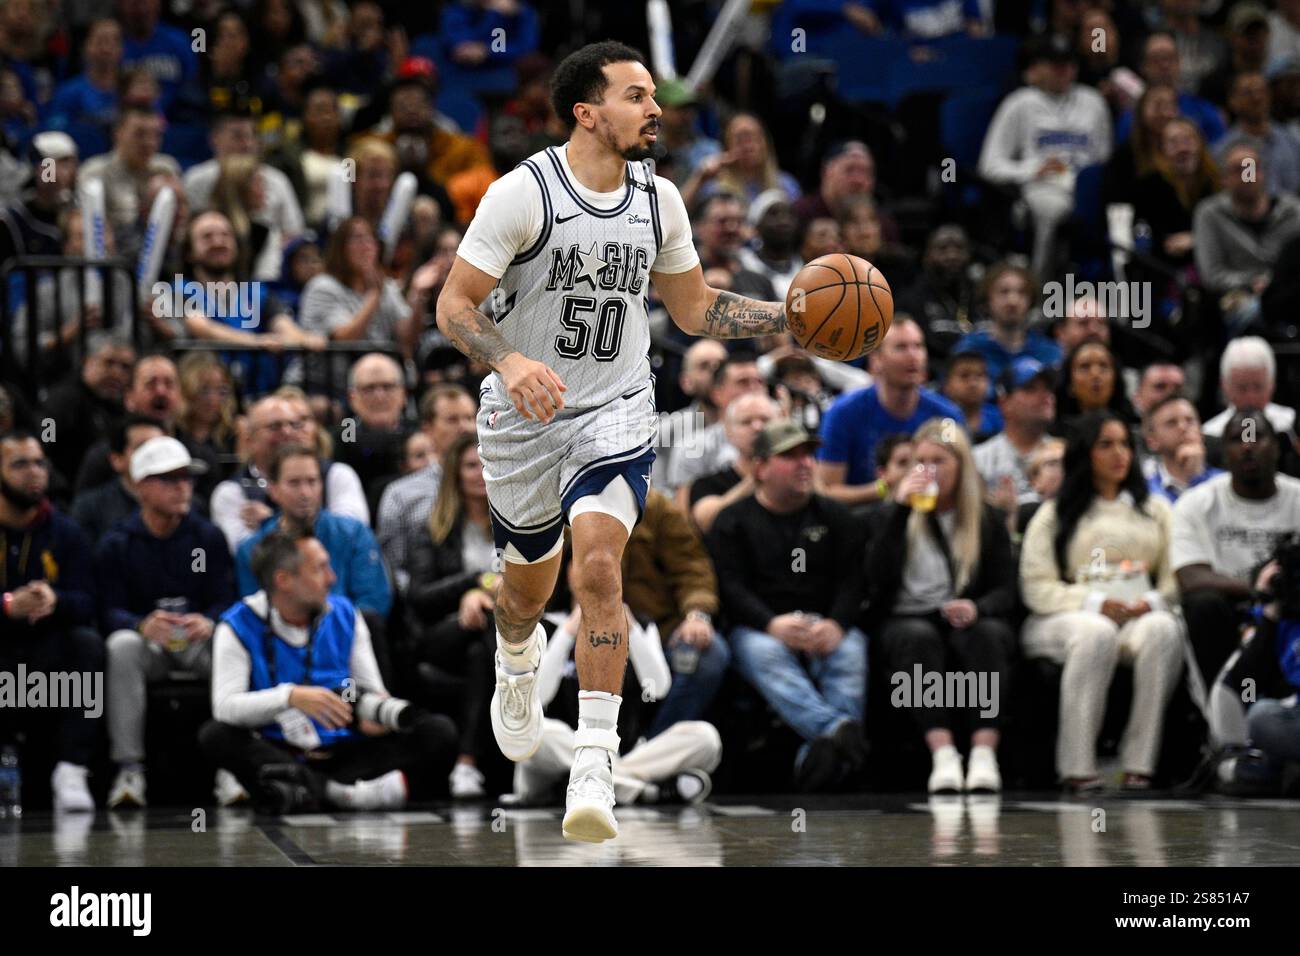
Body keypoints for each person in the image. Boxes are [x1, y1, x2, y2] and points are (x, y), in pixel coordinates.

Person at [435, 41, 793, 842]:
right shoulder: (521, 193)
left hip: (619, 409)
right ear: (586, 112)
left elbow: (695, 310)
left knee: (599, 564)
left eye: (655, 97)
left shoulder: (661, 198)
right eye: (637, 96)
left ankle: (596, 758)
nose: (655, 109)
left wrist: (789, 322)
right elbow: (453, 308)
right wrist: (510, 357)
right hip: (523, 418)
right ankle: (517, 657)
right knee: (526, 592)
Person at [200, 527, 458, 813]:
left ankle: (310, 791)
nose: (332, 578)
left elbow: (371, 691)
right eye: (320, 569)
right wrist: (290, 697)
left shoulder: (345, 613)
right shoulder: (237, 625)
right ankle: (335, 792)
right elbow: (225, 707)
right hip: (279, 749)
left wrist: (372, 715)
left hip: (345, 748)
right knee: (216, 735)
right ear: (284, 580)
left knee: (439, 732)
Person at [1020, 411, 1184, 792]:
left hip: (1136, 616)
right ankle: (1076, 766)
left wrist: (1152, 601)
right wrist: (1094, 603)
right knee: (1096, 633)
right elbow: (1037, 587)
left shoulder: (1157, 510)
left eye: (1125, 444)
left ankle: (1138, 762)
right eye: (1105, 445)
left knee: (1164, 628)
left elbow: (1177, 575)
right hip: (1063, 619)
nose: (1119, 453)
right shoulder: (1055, 514)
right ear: (1085, 453)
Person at [709, 419, 868, 792]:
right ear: (760, 467)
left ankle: (823, 754)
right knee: (763, 654)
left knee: (850, 653)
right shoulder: (732, 521)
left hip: (825, 622)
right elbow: (729, 588)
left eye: (810, 455)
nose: (805, 464)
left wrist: (838, 624)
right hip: (761, 627)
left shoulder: (835, 516)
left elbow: (854, 579)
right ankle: (837, 730)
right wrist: (770, 623)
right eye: (790, 456)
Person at [865, 419, 1016, 793]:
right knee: (916, 638)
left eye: (939, 461)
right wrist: (900, 510)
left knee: (989, 634)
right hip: (906, 617)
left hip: (963, 615)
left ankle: (984, 753)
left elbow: (1008, 589)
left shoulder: (986, 518)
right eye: (920, 461)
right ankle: (943, 753)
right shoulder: (888, 515)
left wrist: (978, 607)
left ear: (961, 467)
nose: (926, 470)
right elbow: (874, 579)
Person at [98, 436, 235, 808]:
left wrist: (209, 619)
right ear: (142, 486)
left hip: (195, 641)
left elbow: (226, 599)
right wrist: (141, 624)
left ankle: (233, 766)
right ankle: (129, 770)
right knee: (120, 646)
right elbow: (105, 610)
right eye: (169, 479)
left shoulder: (206, 538)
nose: (182, 487)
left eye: (186, 478)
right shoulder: (118, 544)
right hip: (150, 646)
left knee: (231, 642)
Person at [0, 431, 101, 812]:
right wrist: (8, 606)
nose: (34, 473)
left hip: (46, 652)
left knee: (87, 644)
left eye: (40, 463)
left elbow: (89, 602)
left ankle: (72, 770)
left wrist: (56, 601)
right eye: (20, 464)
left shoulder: (65, 531)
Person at [1172, 409, 1300, 686]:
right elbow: (1190, 576)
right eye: (1237, 439)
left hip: (1292, 608)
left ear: (1277, 447)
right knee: (1202, 604)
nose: (1248, 445)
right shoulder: (1196, 503)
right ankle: (1222, 711)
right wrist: (1257, 589)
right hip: (1229, 610)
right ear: (1223, 451)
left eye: (1257, 437)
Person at [404, 433, 501, 799]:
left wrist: (483, 594)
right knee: (483, 631)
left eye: (487, 464)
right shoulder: (432, 529)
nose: (480, 473)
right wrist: (473, 585)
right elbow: (420, 598)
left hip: (491, 635)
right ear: (455, 475)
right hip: (441, 635)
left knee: (482, 651)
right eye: (470, 466)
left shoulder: (518, 525)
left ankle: (467, 762)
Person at [977, 33, 1112, 279]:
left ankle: (1110, 285)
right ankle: (1039, 287)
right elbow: (989, 165)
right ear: (1036, 68)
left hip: (1087, 186)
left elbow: (1104, 158)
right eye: (1054, 64)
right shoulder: (1019, 103)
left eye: (1068, 64)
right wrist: (1033, 169)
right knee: (1052, 211)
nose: (1062, 70)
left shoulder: (1093, 102)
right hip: (1044, 186)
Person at [818, 316, 965, 507]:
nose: (913, 356)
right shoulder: (843, 413)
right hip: (863, 525)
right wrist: (884, 488)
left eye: (918, 346)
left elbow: (963, 483)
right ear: (876, 359)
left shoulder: (947, 416)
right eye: (901, 347)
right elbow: (828, 492)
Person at [234, 445, 391, 621]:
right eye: (294, 483)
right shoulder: (252, 549)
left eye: (312, 481)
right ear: (273, 490)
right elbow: (255, 612)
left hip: (350, 637)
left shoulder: (354, 533)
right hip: (279, 643)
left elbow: (373, 602)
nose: (305, 493)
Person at [210, 395, 368, 554]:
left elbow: (351, 538)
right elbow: (247, 556)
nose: (287, 432)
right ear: (249, 439)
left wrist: (275, 522)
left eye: (295, 425)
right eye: (274, 426)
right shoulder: (230, 492)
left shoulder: (337, 475)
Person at [375, 383, 477, 593]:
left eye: (469, 418)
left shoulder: (496, 482)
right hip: (427, 604)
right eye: (452, 420)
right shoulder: (401, 494)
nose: (465, 427)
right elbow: (395, 569)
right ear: (427, 429)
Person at [1193, 143, 1300, 336]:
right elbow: (1213, 274)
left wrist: (1273, 285)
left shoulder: (1293, 211)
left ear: (1264, 173)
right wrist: (1252, 282)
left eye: (1252, 167)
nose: (1247, 176)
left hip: (1287, 294)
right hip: (1236, 298)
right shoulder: (1209, 214)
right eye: (1239, 170)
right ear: (1224, 178)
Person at [38, 332, 136, 487]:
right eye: (108, 363)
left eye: (125, 367)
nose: (117, 373)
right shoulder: (61, 401)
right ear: (86, 361)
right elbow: (44, 442)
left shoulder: (121, 406)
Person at [954, 262, 1063, 393]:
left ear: (1031, 301)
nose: (1013, 301)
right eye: (1004, 292)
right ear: (987, 300)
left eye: (1022, 292)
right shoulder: (969, 350)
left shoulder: (1049, 352)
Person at [688, 391, 779, 533]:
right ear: (728, 432)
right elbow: (704, 521)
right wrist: (755, 479)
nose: (758, 427)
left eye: (765, 420)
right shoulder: (708, 484)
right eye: (746, 422)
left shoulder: (796, 473)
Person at [331, 353, 410, 517]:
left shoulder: (418, 432)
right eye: (369, 388)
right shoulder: (346, 432)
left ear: (403, 394)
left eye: (387, 387)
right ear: (352, 397)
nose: (379, 396)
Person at [974, 357, 1057, 508]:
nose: (1045, 396)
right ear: (1004, 402)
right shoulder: (979, 460)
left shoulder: (1065, 456)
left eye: (1048, 388)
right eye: (1030, 388)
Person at [68, 413, 164, 545]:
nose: (152, 454)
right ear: (117, 460)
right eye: (141, 447)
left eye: (160, 447)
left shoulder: (186, 506)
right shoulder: (89, 508)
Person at [1201, 336, 1297, 439]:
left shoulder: (1291, 426)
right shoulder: (1210, 435)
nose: (1251, 397)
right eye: (1242, 388)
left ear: (1272, 384)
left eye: (1258, 387)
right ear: (1225, 387)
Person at [1143, 394, 1222, 503]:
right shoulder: (1145, 493)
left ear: (1200, 431)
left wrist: (1196, 477)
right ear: (1152, 441)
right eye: (1171, 423)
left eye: (1190, 420)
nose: (1183, 427)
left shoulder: (1227, 483)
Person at [941, 350, 1001, 443]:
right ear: (947, 385)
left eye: (980, 375)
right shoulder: (942, 419)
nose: (973, 383)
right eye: (964, 376)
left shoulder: (999, 418)